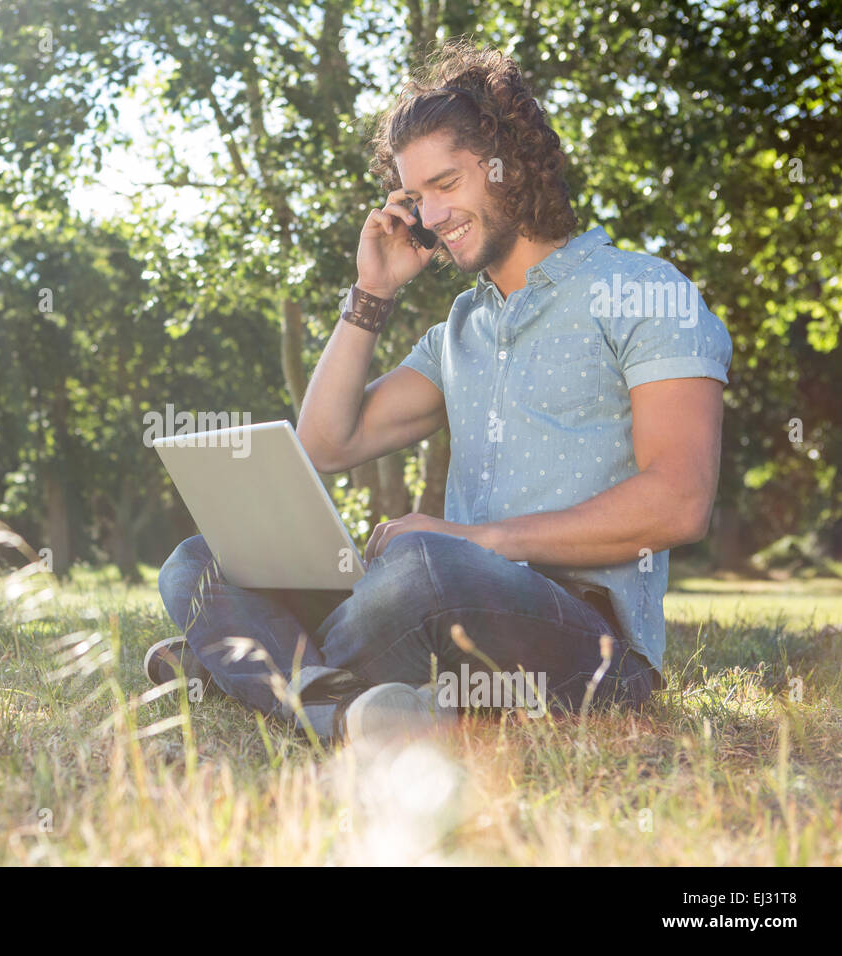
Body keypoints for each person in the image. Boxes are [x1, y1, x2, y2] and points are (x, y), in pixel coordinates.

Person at [150, 39, 732, 745]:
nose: (429, 216)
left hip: (589, 647)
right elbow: (325, 444)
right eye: (415, 196)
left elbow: (679, 500)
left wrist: (472, 541)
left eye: (446, 184)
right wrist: (372, 292)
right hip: (440, 621)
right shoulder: (459, 330)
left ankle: (240, 664)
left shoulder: (643, 291)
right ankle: (338, 710)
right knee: (201, 561)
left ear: (510, 163)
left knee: (423, 566)